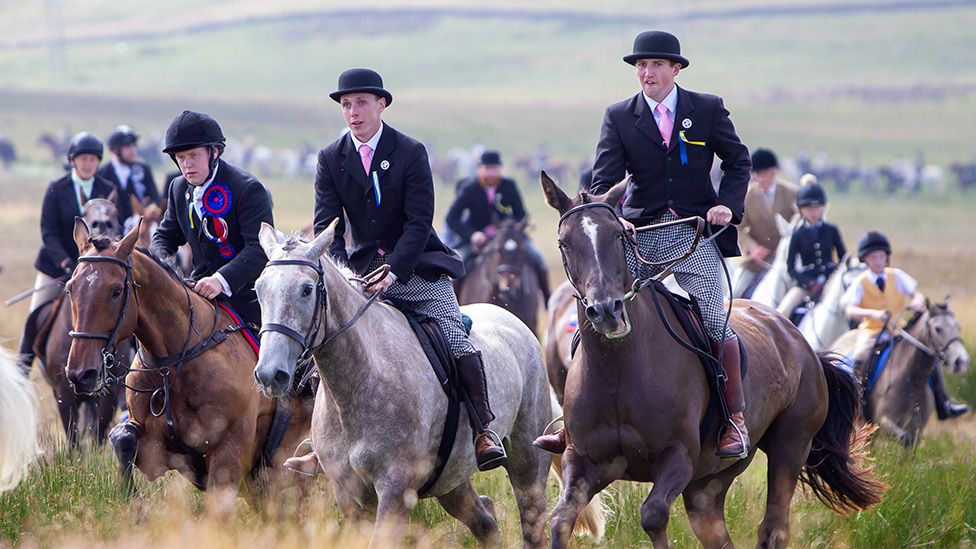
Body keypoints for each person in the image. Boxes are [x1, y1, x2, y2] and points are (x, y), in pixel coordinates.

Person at [534, 30, 753, 459]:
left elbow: (738, 160)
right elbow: (603, 180)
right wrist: (612, 218)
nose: (646, 73)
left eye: (655, 65)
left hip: (693, 235)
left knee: (714, 320)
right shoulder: (619, 116)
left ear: (675, 69)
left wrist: (727, 205)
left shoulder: (706, 109)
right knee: (598, 308)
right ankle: (570, 421)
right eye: (640, 66)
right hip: (637, 236)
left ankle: (734, 418)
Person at [310, 68, 506, 471]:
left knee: (455, 338)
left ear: (381, 105)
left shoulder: (410, 151)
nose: (353, 112)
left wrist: (395, 270)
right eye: (346, 105)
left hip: (417, 270)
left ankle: (484, 428)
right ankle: (321, 443)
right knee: (322, 347)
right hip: (360, 278)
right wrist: (345, 277)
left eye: (361, 102)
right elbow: (326, 227)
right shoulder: (330, 158)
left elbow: (420, 222)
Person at [149, 110, 272, 328]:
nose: (186, 164)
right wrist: (161, 269)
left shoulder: (248, 189)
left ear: (214, 152)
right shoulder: (178, 188)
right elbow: (164, 237)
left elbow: (258, 248)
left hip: (247, 299)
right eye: (181, 158)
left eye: (193, 155)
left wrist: (220, 280)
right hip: (198, 296)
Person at [17, 132, 117, 375]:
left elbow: (116, 228)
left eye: (93, 159)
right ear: (73, 160)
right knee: (35, 315)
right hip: (57, 266)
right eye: (82, 159)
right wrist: (65, 262)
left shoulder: (108, 189)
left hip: (96, 270)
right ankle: (23, 367)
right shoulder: (57, 189)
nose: (87, 164)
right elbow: (48, 231)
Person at [843, 231, 968, 420]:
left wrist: (916, 302)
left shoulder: (896, 276)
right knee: (860, 358)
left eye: (881, 256)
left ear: (887, 257)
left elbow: (916, 294)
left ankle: (943, 403)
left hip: (896, 329)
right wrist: (872, 313)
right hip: (872, 330)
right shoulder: (860, 282)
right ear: (865, 259)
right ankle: (855, 403)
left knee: (929, 354)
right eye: (873, 257)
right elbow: (850, 310)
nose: (878, 261)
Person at [445, 150, 551, 300]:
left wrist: (508, 227)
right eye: (487, 168)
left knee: (538, 257)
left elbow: (521, 214)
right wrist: (472, 235)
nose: (490, 173)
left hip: (507, 237)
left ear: (500, 169)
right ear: (480, 169)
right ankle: (452, 304)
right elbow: (452, 217)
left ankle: (548, 300)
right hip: (476, 239)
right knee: (455, 265)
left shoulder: (509, 186)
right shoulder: (469, 188)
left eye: (494, 169)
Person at [734, 148, 798, 298]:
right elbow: (737, 227)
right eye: (756, 174)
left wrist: (785, 247)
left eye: (763, 173)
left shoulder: (792, 194)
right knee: (735, 292)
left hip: (786, 259)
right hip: (757, 261)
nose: (759, 178)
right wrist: (753, 247)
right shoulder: (747, 196)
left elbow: (799, 224)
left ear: (774, 171)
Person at [776, 179, 845, 318]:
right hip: (807, 285)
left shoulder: (831, 230)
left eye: (817, 208)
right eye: (809, 209)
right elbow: (791, 267)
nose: (814, 212)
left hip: (831, 281)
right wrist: (809, 282)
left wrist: (832, 276)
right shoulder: (797, 234)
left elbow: (843, 258)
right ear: (801, 210)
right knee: (782, 312)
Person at [97, 125, 161, 228]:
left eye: (134, 145)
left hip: (142, 228)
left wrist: (152, 208)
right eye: (127, 146)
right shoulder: (102, 173)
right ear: (114, 150)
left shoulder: (143, 169)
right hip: (113, 230)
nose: (133, 150)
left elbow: (154, 197)